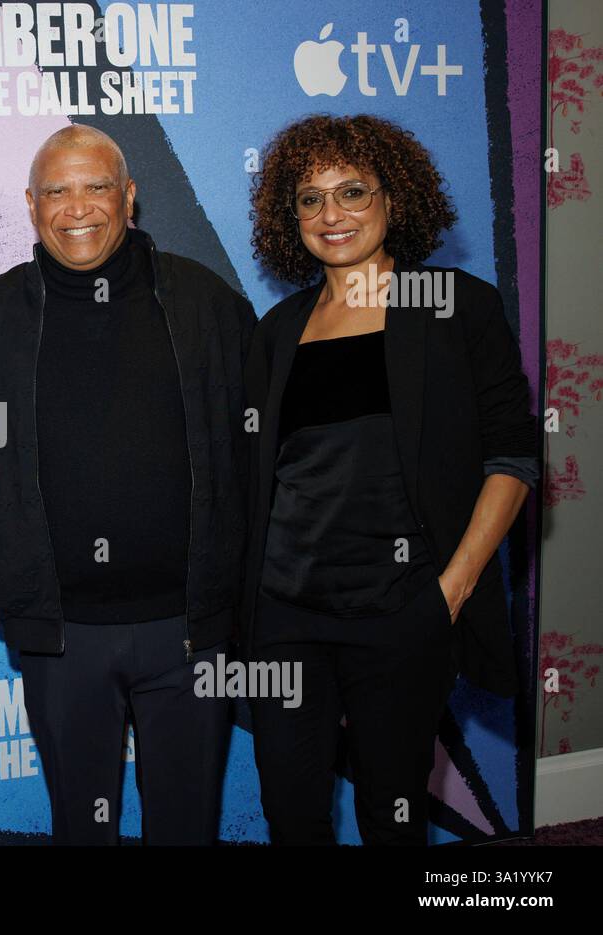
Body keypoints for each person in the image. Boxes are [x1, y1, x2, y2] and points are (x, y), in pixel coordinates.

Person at [0, 125, 256, 844]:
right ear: (30, 203)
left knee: (186, 826)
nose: (76, 207)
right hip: (62, 636)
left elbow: (261, 447)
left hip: (191, 628)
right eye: (57, 190)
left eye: (95, 186)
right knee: (83, 828)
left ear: (129, 195)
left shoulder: (204, 300)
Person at [242, 113, 538, 845]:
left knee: (393, 810)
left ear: (394, 200)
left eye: (352, 191)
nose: (331, 214)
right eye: (309, 199)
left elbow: (512, 456)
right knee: (292, 811)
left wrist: (452, 589)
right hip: (285, 613)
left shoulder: (455, 307)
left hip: (404, 607)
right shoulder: (279, 329)